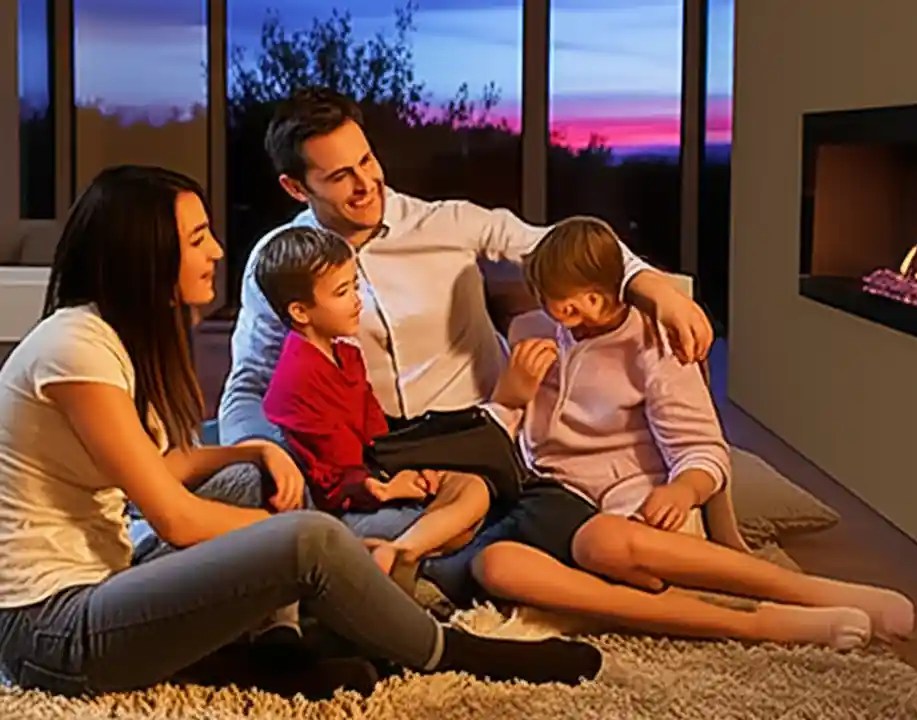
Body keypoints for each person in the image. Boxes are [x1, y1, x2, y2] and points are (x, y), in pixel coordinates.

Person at [0, 165, 603, 697]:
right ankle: (451, 652)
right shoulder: (75, 348)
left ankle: (273, 652)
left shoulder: (118, 340)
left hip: (110, 572)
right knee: (307, 540)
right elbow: (174, 519)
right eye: (197, 238)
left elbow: (160, 467)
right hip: (51, 626)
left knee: (249, 478)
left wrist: (259, 448)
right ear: (146, 254)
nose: (215, 251)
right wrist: (302, 537)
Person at [395, 216, 917, 650]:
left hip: (635, 505)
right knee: (499, 565)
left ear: (614, 289)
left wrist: (683, 489)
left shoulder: (654, 341)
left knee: (605, 545)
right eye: (563, 305)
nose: (576, 317)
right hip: (549, 500)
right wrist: (512, 394)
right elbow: (501, 438)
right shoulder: (530, 333)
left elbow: (699, 446)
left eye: (589, 301)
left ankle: (808, 593)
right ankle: (742, 623)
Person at [218, 86, 713, 450]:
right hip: (366, 446)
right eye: (341, 176)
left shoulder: (447, 223)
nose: (366, 183)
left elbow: (570, 245)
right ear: (296, 188)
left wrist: (650, 285)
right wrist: (258, 453)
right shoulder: (276, 262)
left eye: (367, 161)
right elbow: (249, 381)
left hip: (477, 427)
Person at [257, 226, 489, 572]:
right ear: (300, 312)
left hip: (377, 474)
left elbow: (375, 431)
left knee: (474, 486)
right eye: (341, 292)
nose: (356, 299)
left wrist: (409, 468)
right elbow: (333, 481)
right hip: (346, 506)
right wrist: (386, 488)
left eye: (354, 285)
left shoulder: (346, 355)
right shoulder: (297, 381)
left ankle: (403, 551)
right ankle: (401, 553)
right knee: (458, 531)